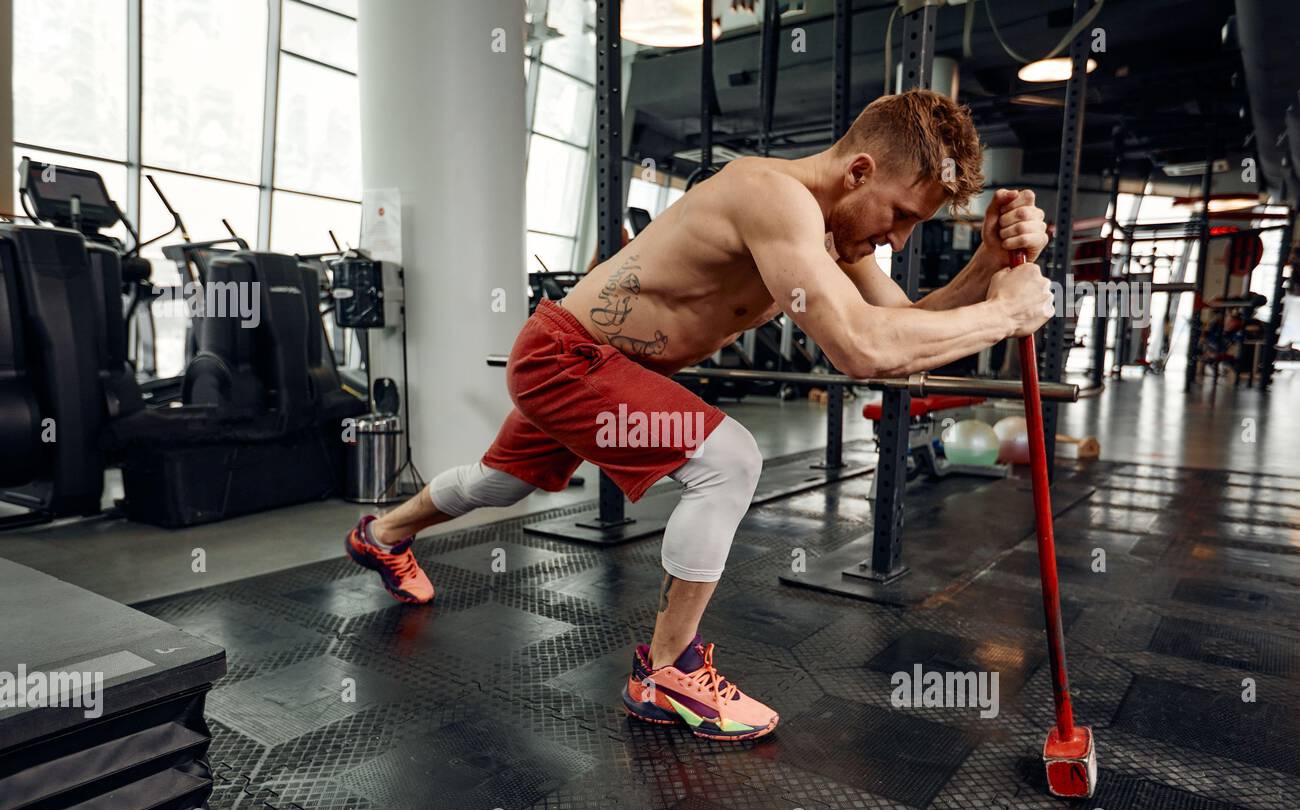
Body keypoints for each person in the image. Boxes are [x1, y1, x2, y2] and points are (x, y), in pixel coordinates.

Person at [345, 89, 1053, 742]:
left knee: (501, 483)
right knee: (729, 459)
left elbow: (899, 323)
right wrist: (1005, 313)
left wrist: (988, 265)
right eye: (900, 215)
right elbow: (863, 352)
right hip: (571, 356)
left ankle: (382, 534)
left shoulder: (835, 233)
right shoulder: (771, 198)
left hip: (605, 367)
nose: (898, 239)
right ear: (859, 171)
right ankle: (667, 673)